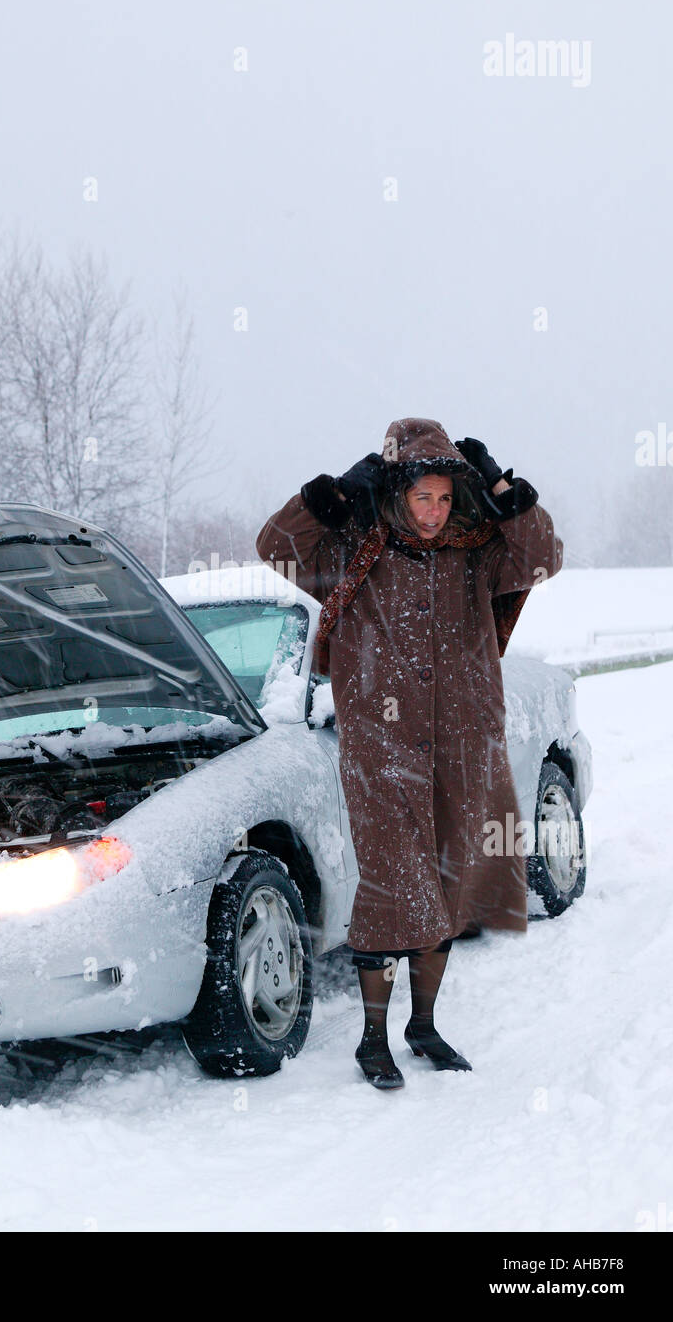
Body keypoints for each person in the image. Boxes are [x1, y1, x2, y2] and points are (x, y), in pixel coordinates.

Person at [255, 417, 564, 1091]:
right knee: (394, 889)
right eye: (420, 497)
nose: (432, 512)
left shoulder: (478, 552)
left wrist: (508, 492)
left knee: (448, 890)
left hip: (461, 738)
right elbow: (275, 547)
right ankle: (373, 1040)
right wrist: (331, 493)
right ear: (395, 492)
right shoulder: (354, 548)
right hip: (381, 746)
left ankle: (422, 1026)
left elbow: (542, 557)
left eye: (444, 498)